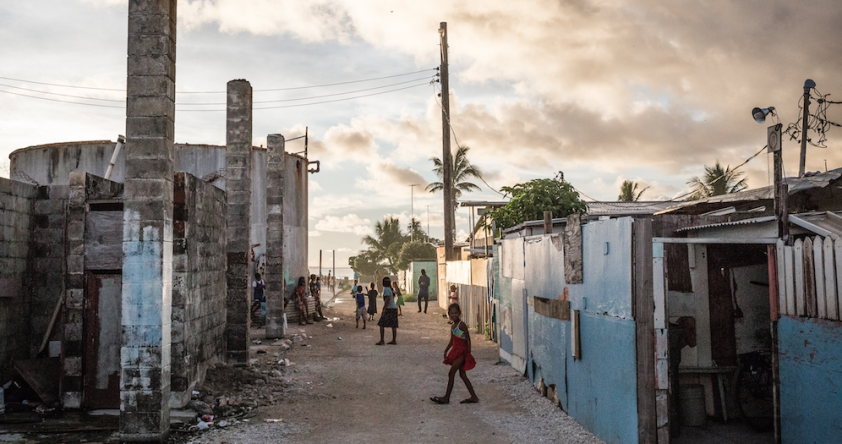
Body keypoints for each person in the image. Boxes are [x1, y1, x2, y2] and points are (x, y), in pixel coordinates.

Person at [430, 303, 478, 405]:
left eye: (456, 313)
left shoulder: (462, 325)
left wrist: (468, 353)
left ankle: (446, 397)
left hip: (462, 353)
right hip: (456, 352)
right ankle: (473, 396)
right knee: (462, 375)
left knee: (451, 373)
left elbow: (468, 339)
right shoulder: (453, 326)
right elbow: (452, 341)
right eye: (451, 313)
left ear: (459, 313)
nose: (454, 315)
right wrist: (446, 350)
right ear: (449, 314)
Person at [376, 277, 399, 345]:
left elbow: (387, 299)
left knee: (381, 324)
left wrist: (384, 309)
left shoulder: (386, 289)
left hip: (389, 308)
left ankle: (382, 340)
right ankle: (394, 340)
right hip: (394, 308)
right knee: (394, 325)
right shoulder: (390, 289)